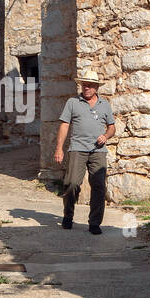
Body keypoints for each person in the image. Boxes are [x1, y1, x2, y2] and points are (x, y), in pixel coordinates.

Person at [53, 70, 116, 234]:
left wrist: (106, 136)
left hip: (98, 151)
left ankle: (94, 223)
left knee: (99, 186)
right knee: (72, 183)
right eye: (84, 84)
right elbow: (64, 125)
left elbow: (112, 127)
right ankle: (68, 215)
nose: (86, 87)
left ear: (96, 87)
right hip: (77, 148)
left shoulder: (105, 105)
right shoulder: (72, 102)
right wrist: (59, 148)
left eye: (90, 85)